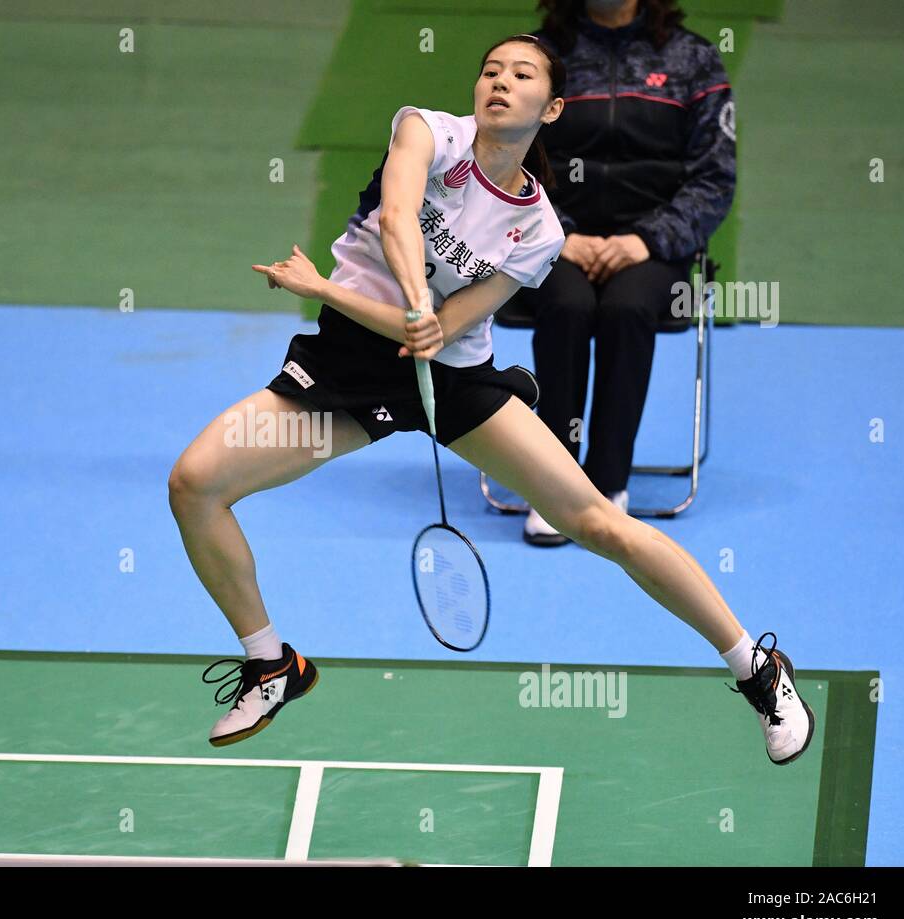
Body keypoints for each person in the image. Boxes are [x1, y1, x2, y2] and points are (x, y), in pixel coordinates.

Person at [168, 35, 811, 765]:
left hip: (454, 382)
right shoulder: (427, 131)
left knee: (601, 523)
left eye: (522, 74)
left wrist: (339, 292)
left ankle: (757, 671)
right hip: (349, 363)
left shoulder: (538, 229)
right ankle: (272, 663)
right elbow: (396, 216)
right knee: (195, 483)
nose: (500, 82)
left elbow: (445, 332)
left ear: (553, 106)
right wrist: (399, 295)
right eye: (491, 70)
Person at [517, 0, 736, 545]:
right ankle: (557, 484)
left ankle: (608, 483)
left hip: (654, 249)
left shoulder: (694, 61)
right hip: (553, 240)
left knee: (627, 306)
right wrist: (560, 233)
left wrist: (647, 239)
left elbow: (715, 176)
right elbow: (503, 158)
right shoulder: (540, 56)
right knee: (567, 305)